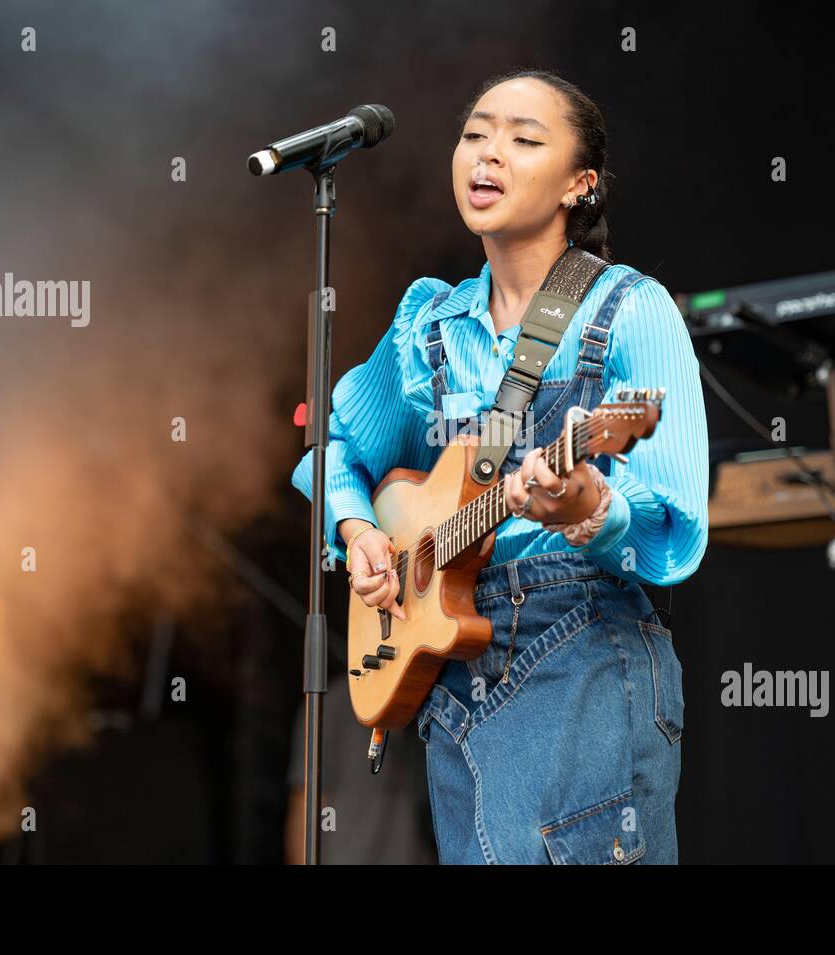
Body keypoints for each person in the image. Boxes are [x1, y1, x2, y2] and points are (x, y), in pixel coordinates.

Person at [292, 69, 709, 864]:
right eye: (476, 133)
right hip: (456, 680)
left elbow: (673, 522)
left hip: (581, 657)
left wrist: (587, 506)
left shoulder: (630, 309)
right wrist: (359, 529)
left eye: (524, 140)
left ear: (579, 185)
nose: (489, 154)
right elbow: (331, 449)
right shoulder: (430, 324)